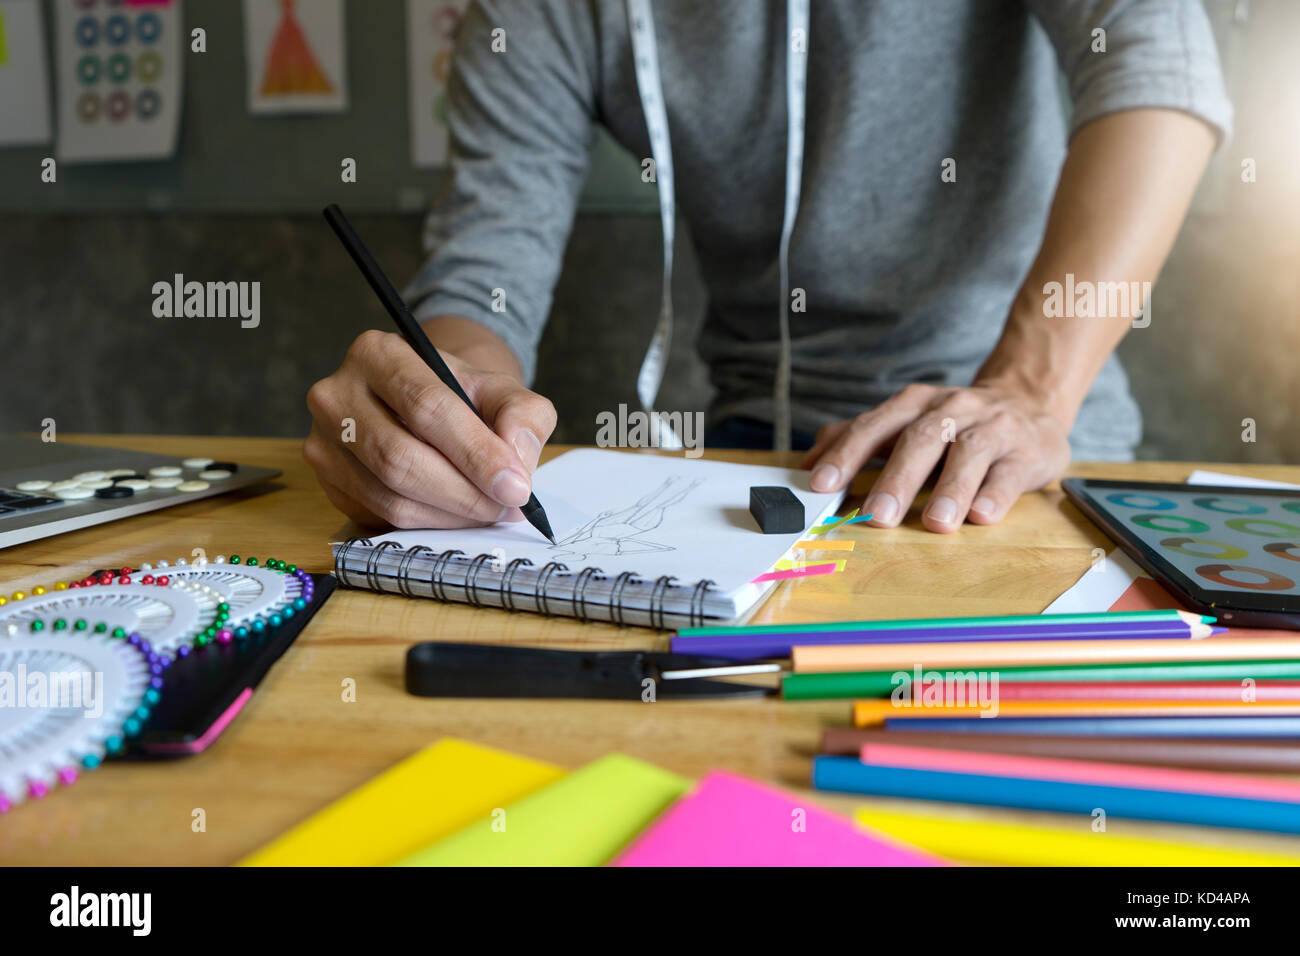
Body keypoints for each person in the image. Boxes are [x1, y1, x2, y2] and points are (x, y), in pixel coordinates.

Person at [305, 0, 1231, 534]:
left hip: (1025, 457)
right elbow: (483, 272)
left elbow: (1161, 66)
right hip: (758, 467)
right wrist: (450, 401)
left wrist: (1031, 389)